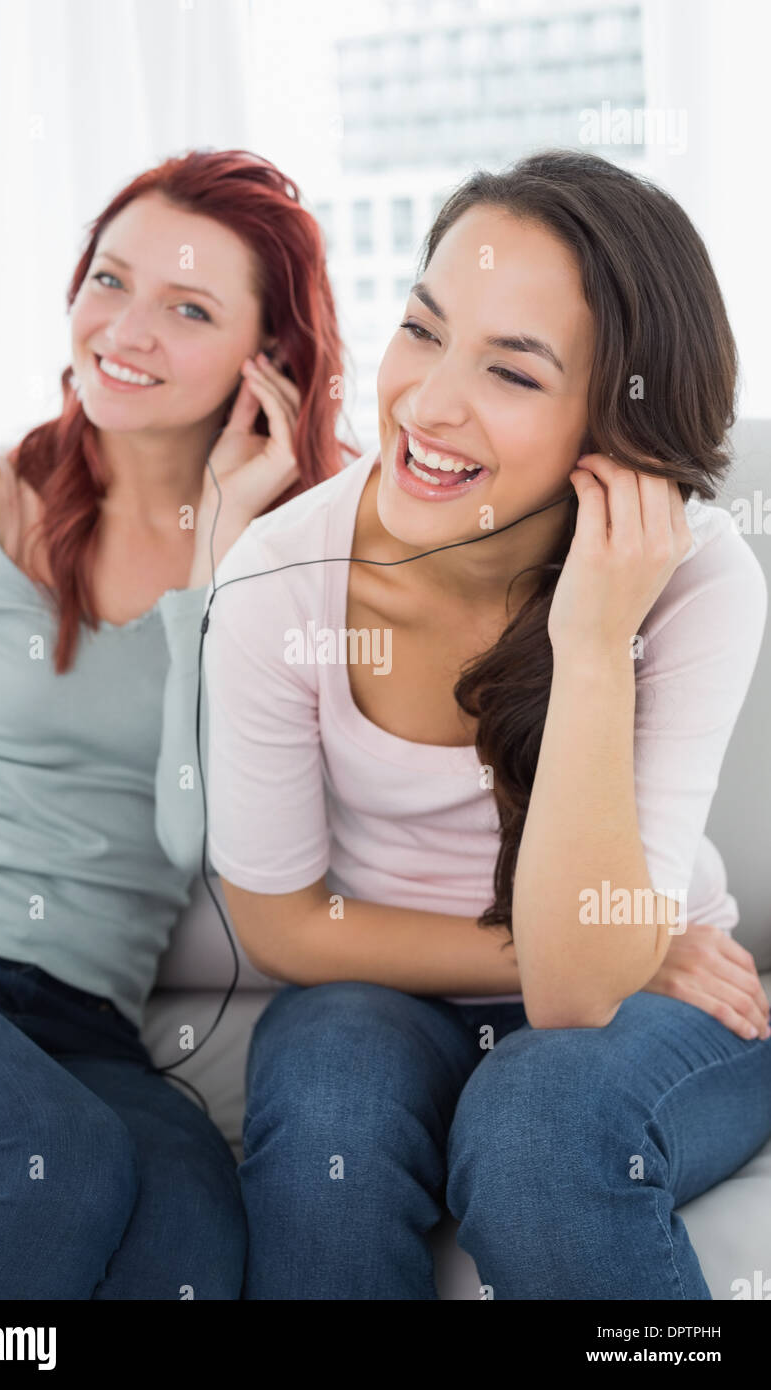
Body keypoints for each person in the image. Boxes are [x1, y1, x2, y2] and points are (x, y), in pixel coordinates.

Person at [203, 149, 771, 1299]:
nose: (426, 403)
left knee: (535, 1122)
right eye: (423, 329)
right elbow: (277, 921)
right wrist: (625, 944)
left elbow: (574, 999)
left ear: (617, 427)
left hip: (653, 1011)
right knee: (327, 1118)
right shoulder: (279, 578)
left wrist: (594, 636)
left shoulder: (696, 577)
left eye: (511, 372)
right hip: (405, 985)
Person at [0, 147, 351, 1299]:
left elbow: (194, 837)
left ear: (269, 362)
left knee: (189, 1242)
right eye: (109, 279)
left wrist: (213, 573)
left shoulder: (285, 569)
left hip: (79, 1024)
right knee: (47, 1172)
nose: (126, 328)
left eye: (188, 306)